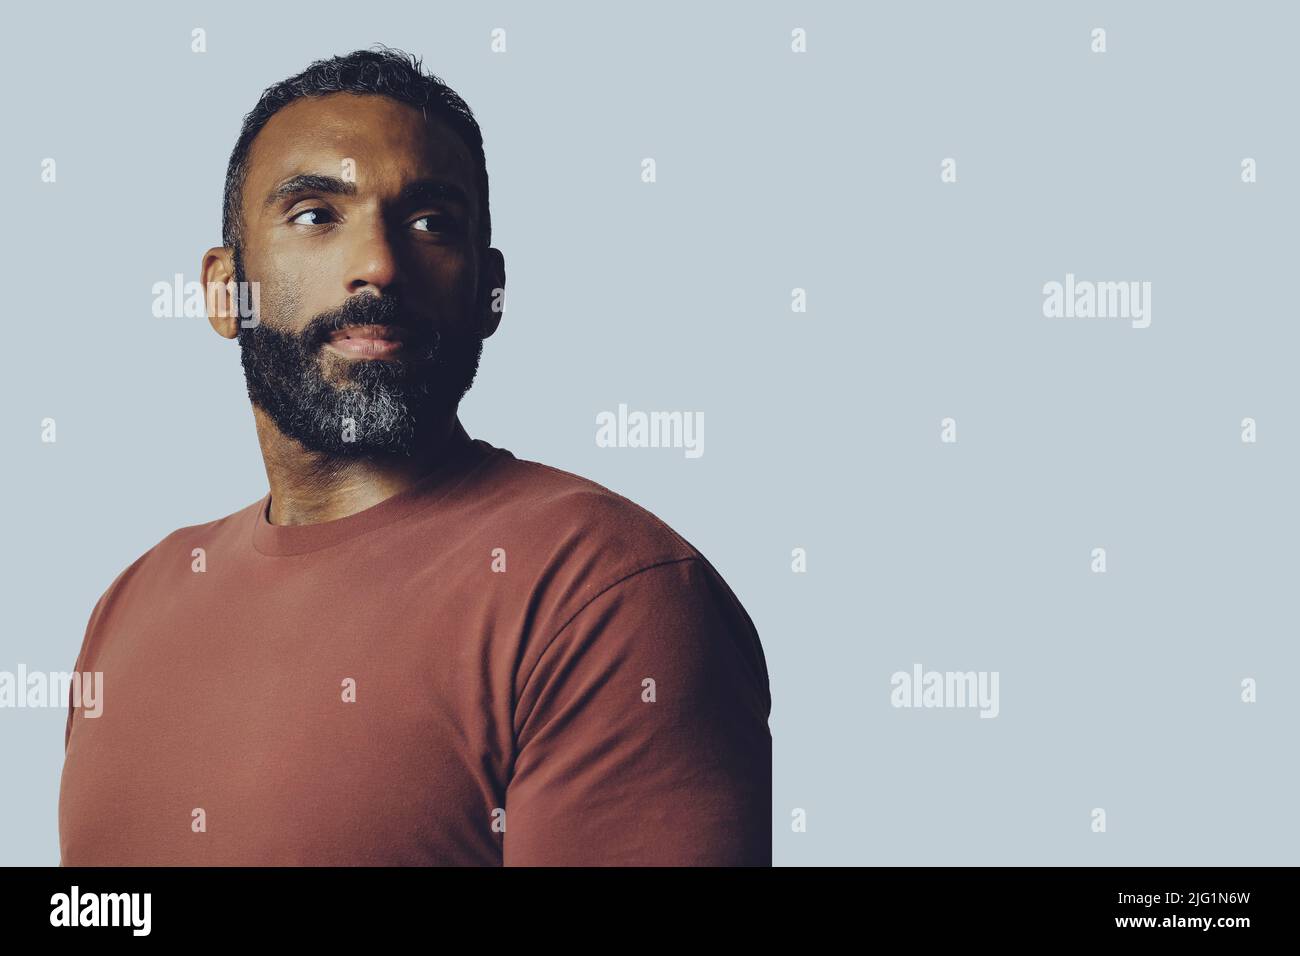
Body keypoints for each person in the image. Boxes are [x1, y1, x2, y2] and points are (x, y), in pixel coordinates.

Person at [58, 46, 772, 866]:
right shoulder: (134, 602)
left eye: (431, 222)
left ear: (488, 291)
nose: (378, 266)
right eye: (316, 215)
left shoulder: (606, 595)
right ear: (225, 290)